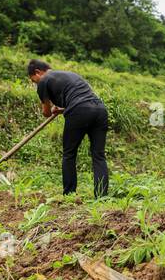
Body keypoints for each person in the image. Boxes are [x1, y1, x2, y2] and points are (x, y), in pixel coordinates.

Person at [26, 58, 110, 198]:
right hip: (100, 109)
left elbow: (46, 113)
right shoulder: (70, 75)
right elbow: (82, 98)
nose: (35, 83)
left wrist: (52, 110)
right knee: (99, 155)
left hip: (79, 110)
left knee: (69, 154)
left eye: (33, 80)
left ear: (38, 72)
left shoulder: (44, 81)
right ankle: (102, 196)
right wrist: (63, 110)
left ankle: (69, 195)